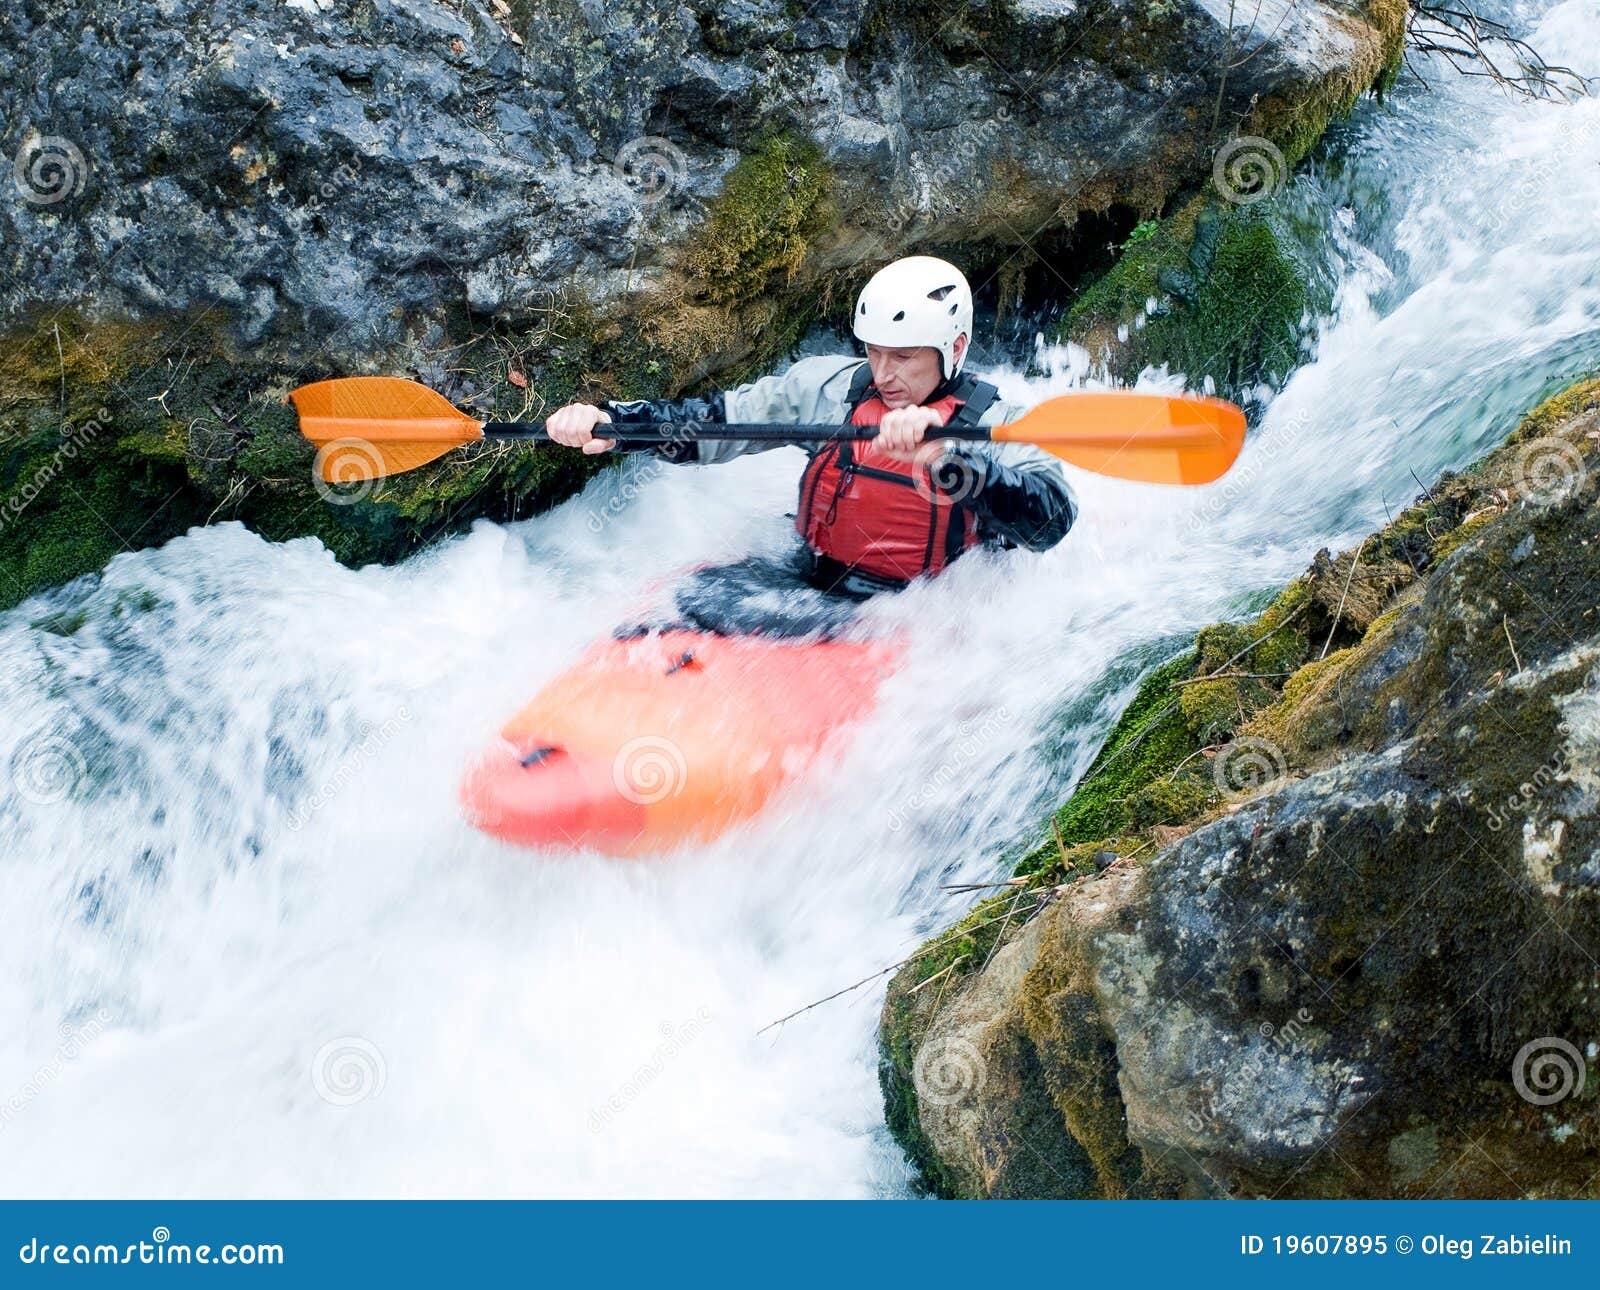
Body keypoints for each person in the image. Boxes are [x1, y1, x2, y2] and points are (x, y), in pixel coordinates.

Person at [546, 256, 1078, 631]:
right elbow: (716, 424)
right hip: (808, 573)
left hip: (910, 611)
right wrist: (616, 424)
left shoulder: (1003, 424)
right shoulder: (833, 389)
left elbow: (1050, 523)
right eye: (874, 352)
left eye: (903, 357)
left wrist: (948, 462)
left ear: (954, 347)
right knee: (687, 600)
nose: (884, 372)